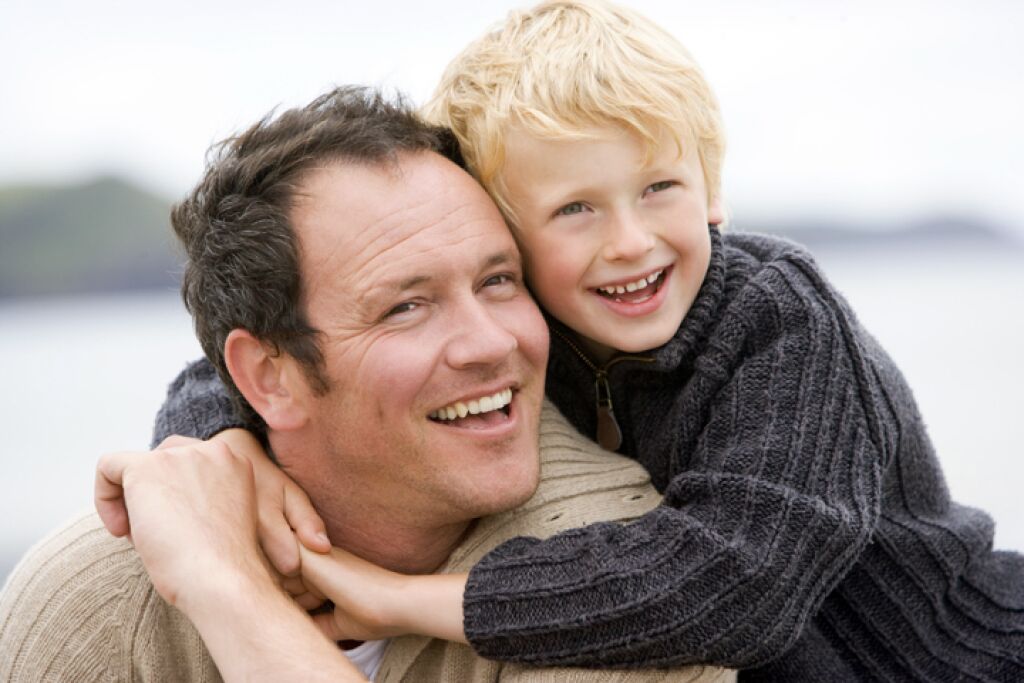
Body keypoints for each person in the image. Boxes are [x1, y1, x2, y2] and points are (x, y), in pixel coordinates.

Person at [151, 1, 1024, 680]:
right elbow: (241, 362)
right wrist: (225, 449)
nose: (631, 242)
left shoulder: (778, 322)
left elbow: (742, 586)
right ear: (503, 230)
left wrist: (403, 600)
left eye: (660, 187)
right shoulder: (534, 313)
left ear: (713, 188)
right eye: (575, 208)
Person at [0, 86, 732, 682]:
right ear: (268, 376)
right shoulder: (95, 600)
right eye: (406, 307)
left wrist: (228, 589)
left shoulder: (628, 582)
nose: (491, 342)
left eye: (498, 281)